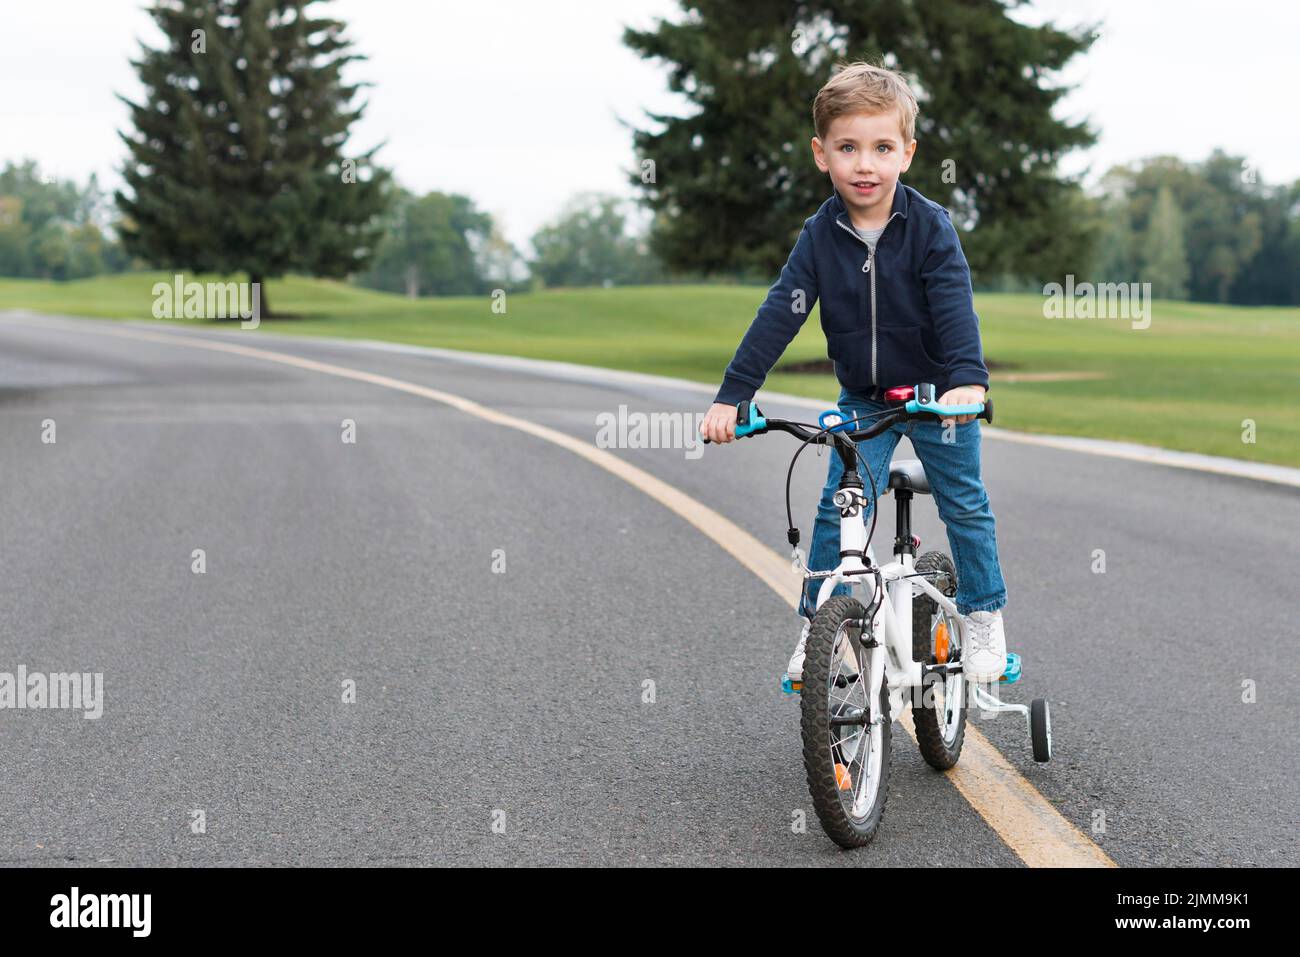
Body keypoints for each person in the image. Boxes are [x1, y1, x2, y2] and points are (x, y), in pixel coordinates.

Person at [698, 60, 1008, 686]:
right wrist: (734, 396)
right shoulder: (819, 237)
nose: (865, 164)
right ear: (822, 154)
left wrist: (967, 383)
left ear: (907, 153)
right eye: (848, 148)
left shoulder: (929, 229)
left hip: (937, 396)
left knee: (964, 503)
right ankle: (818, 628)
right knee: (837, 507)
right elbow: (777, 315)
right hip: (864, 399)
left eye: (881, 147)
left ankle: (983, 614)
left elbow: (953, 307)